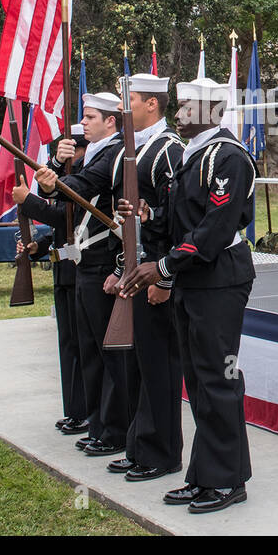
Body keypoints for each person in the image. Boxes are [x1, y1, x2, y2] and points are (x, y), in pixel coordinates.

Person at [118, 77, 256, 514]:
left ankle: (228, 480)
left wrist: (162, 267)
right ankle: (204, 475)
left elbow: (214, 229)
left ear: (210, 110)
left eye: (186, 106)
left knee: (218, 379)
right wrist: (149, 216)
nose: (178, 113)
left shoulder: (228, 157)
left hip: (220, 278)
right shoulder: (194, 155)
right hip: (193, 279)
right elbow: (180, 220)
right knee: (197, 382)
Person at [101, 73, 185, 482]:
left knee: (159, 364)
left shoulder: (169, 150)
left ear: (152, 104)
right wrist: (122, 268)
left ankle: (162, 451)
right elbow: (130, 225)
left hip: (156, 270)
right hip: (136, 267)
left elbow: (175, 222)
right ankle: (140, 444)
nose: (123, 107)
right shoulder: (129, 150)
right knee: (139, 363)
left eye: (130, 99)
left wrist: (163, 279)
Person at [35, 93, 128, 456]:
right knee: (88, 350)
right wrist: (54, 171)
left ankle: (112, 428)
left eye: (90, 117)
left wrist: (51, 183)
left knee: (107, 353)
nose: (83, 123)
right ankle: (96, 422)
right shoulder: (93, 152)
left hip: (104, 258)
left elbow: (82, 189)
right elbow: (68, 195)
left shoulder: (114, 153)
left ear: (110, 122)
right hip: (82, 259)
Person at [11, 123, 90, 436]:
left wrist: (27, 201)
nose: (62, 154)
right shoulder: (65, 174)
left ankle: (85, 412)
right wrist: (37, 245)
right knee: (67, 344)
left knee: (82, 346)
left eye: (68, 149)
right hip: (62, 267)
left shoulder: (85, 175)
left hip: (80, 267)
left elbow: (65, 215)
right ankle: (73, 410)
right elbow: (58, 226)